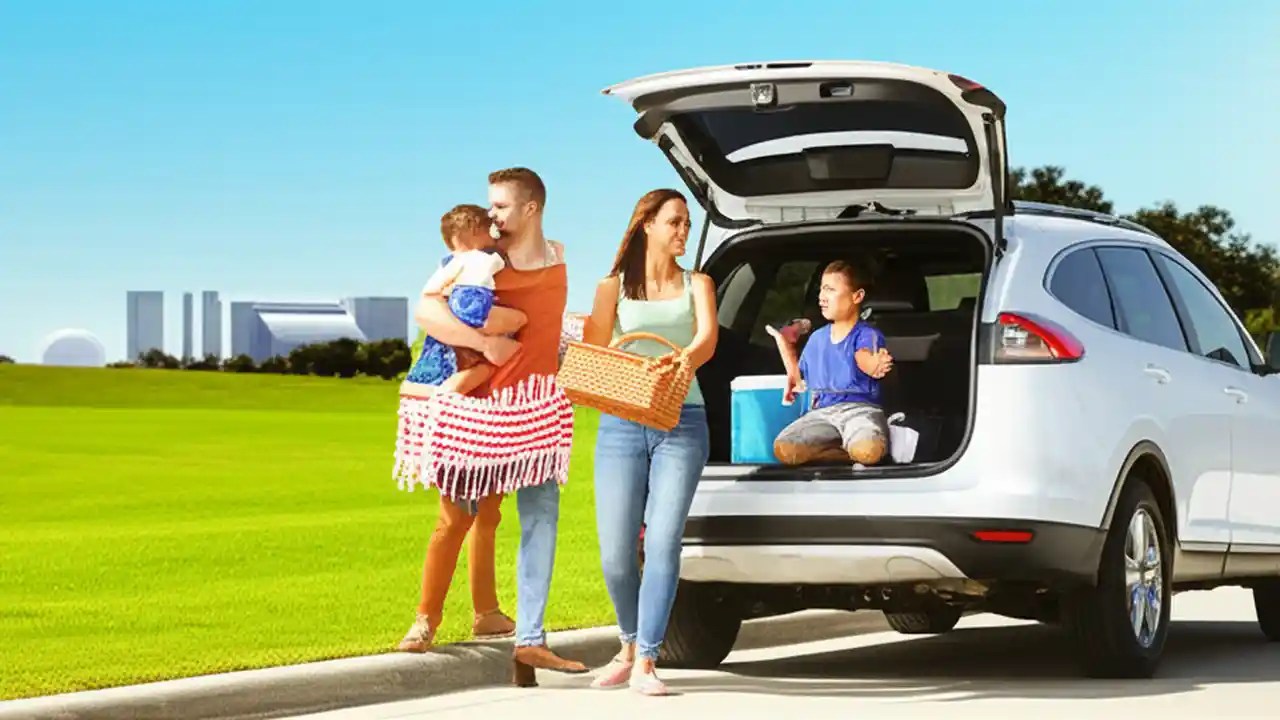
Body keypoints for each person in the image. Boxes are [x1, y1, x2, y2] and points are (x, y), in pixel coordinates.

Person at [411, 167, 586, 686]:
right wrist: (487, 343)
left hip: (534, 412)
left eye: (502, 207)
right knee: (456, 518)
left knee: (520, 522)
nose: (493, 216)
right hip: (478, 409)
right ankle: (426, 618)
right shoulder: (480, 260)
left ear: (531, 208)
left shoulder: (557, 256)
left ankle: (517, 631)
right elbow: (425, 310)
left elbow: (554, 322)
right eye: (491, 207)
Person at [579, 189, 718, 696]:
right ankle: (630, 643)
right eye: (675, 222)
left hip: (683, 421)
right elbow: (595, 348)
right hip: (621, 423)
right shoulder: (612, 287)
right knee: (616, 552)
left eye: (686, 223)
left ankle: (646, 661)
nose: (683, 231)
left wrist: (682, 360)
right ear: (647, 225)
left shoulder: (698, 283)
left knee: (661, 541)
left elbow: (706, 339)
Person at [396, 204, 526, 653]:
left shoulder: (478, 268)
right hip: (458, 404)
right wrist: (506, 326)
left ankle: (486, 612)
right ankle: (425, 619)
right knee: (455, 517)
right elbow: (477, 318)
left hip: (493, 404)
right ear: (470, 232)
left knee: (487, 513)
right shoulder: (467, 272)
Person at [771, 260, 894, 466]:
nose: (821, 297)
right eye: (821, 290)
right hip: (821, 414)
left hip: (860, 411)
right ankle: (844, 454)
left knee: (868, 449)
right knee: (785, 448)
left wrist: (874, 364)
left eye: (830, 290)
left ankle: (851, 451)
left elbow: (863, 357)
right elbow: (801, 379)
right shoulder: (817, 339)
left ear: (857, 296)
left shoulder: (867, 334)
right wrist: (786, 346)